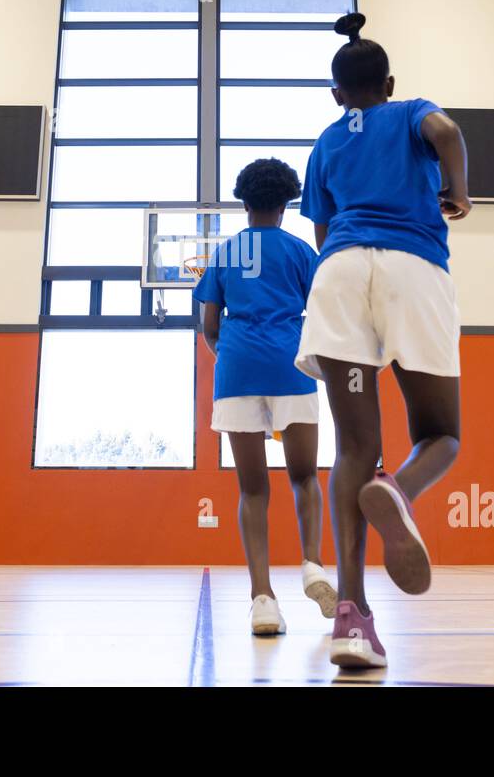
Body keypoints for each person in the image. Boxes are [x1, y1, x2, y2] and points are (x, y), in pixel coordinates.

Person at [294, 12, 471, 667]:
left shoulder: (325, 141)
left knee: (353, 449)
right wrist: (460, 191)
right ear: (389, 83)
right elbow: (448, 132)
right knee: (440, 432)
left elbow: (321, 231)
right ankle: (399, 491)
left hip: (338, 274)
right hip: (412, 268)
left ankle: (351, 617)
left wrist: (342, 279)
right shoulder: (411, 112)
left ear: (337, 95)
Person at [195, 159, 337, 635]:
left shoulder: (224, 253)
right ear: (287, 202)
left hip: (236, 370)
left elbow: (209, 327)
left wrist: (232, 353)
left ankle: (263, 601)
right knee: (304, 478)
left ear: (243, 200)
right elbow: (321, 315)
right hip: (290, 364)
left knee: (253, 489)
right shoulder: (300, 251)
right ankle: (314, 565)